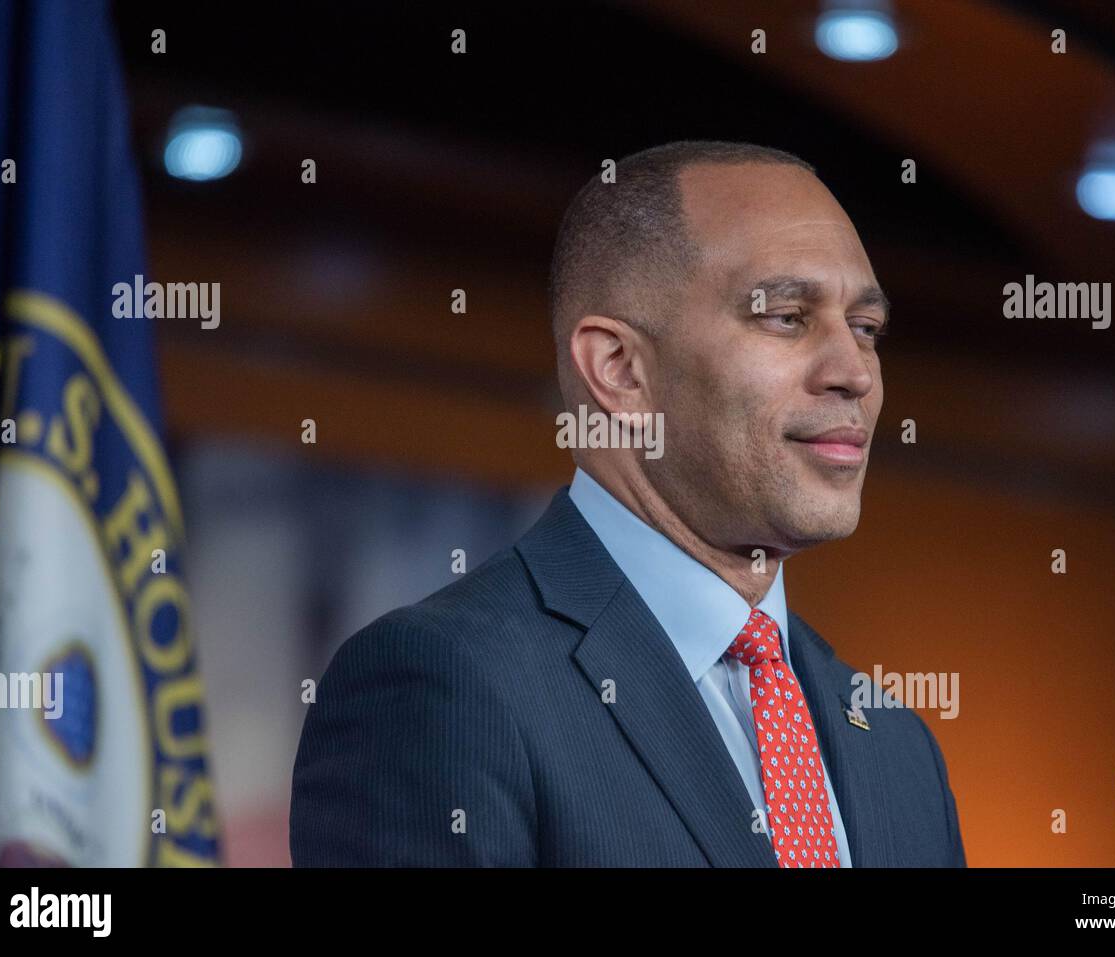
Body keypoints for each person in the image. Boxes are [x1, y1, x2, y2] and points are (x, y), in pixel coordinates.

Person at [290, 140, 967, 867]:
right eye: (786, 316)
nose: (854, 373)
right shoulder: (444, 685)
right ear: (619, 370)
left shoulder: (898, 745)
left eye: (866, 329)